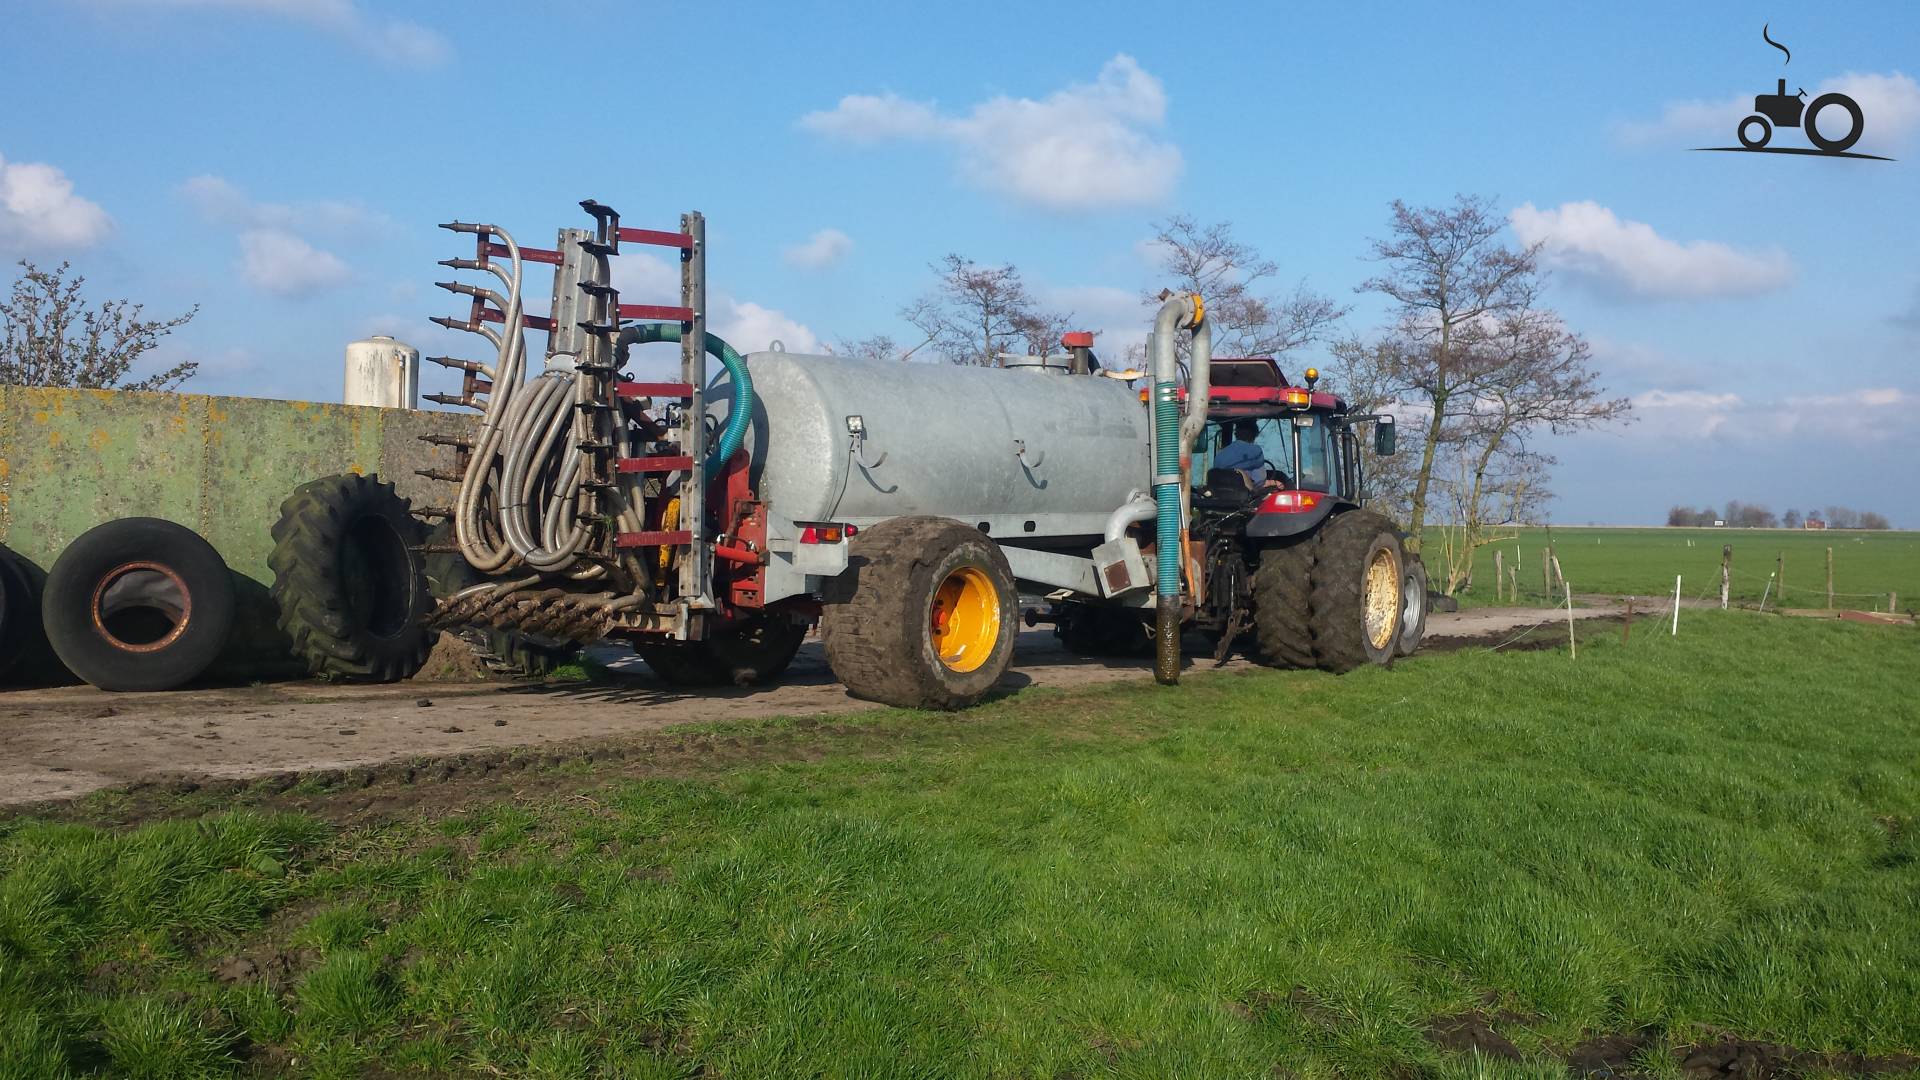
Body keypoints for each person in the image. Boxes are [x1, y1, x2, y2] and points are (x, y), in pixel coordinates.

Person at [1212, 420, 1268, 484]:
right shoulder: (1255, 450)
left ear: (1236, 434)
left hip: (1220, 492)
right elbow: (1259, 480)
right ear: (1253, 434)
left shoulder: (1220, 454)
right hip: (1244, 492)